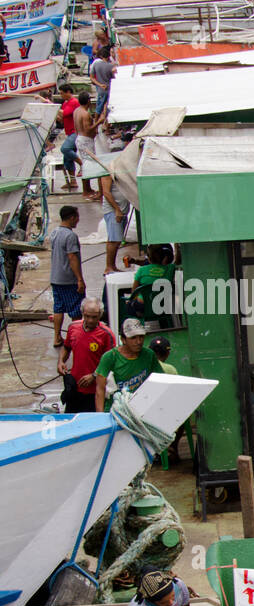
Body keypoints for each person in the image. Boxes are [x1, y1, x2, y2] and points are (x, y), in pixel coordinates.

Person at [57, 299, 114, 413]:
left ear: (100, 316)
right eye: (87, 316)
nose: (90, 320)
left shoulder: (107, 334)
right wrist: (61, 361)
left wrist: (94, 375)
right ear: (82, 313)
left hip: (95, 391)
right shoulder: (73, 327)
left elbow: (112, 362)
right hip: (74, 387)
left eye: (94, 317)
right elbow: (66, 347)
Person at [95, 317, 162, 411]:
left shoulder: (149, 355)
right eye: (133, 338)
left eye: (141, 337)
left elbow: (159, 381)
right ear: (123, 339)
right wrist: (101, 417)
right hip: (117, 410)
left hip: (141, 408)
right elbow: (100, 390)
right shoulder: (110, 357)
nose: (138, 342)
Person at [48, 205, 84, 349]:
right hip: (68, 280)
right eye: (77, 217)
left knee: (58, 309)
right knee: (76, 311)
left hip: (55, 278)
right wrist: (79, 279)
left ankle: (57, 337)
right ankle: (76, 338)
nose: (78, 220)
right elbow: (72, 257)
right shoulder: (70, 236)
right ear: (71, 218)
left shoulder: (54, 232)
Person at [128, 243, 181, 318]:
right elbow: (177, 261)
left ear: (148, 259)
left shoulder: (141, 270)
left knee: (129, 304)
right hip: (163, 306)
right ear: (164, 257)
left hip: (143, 307)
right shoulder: (170, 269)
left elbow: (134, 292)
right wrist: (176, 246)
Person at [101, 169, 132, 273]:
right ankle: (109, 266)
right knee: (114, 240)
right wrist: (117, 210)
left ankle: (112, 266)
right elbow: (106, 192)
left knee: (117, 240)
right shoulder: (108, 172)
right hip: (113, 211)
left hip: (123, 211)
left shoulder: (122, 171)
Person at [73, 92, 101, 199]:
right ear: (88, 101)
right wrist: (99, 122)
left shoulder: (77, 111)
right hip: (85, 140)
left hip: (80, 138)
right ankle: (85, 190)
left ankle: (88, 188)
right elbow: (88, 129)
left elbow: (76, 128)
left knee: (86, 164)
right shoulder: (85, 114)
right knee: (88, 165)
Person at [58, 84, 79, 191]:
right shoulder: (65, 103)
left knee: (65, 149)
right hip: (69, 131)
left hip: (75, 131)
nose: (61, 95)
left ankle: (82, 164)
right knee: (67, 159)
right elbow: (62, 117)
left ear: (68, 92)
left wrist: (52, 106)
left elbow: (65, 113)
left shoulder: (73, 102)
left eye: (62, 93)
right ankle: (73, 181)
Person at [88, 50, 115, 117]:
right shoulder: (111, 66)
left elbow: (92, 77)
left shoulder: (96, 63)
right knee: (107, 106)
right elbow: (114, 78)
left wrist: (100, 85)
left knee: (99, 107)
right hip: (109, 89)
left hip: (101, 89)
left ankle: (96, 120)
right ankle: (105, 122)